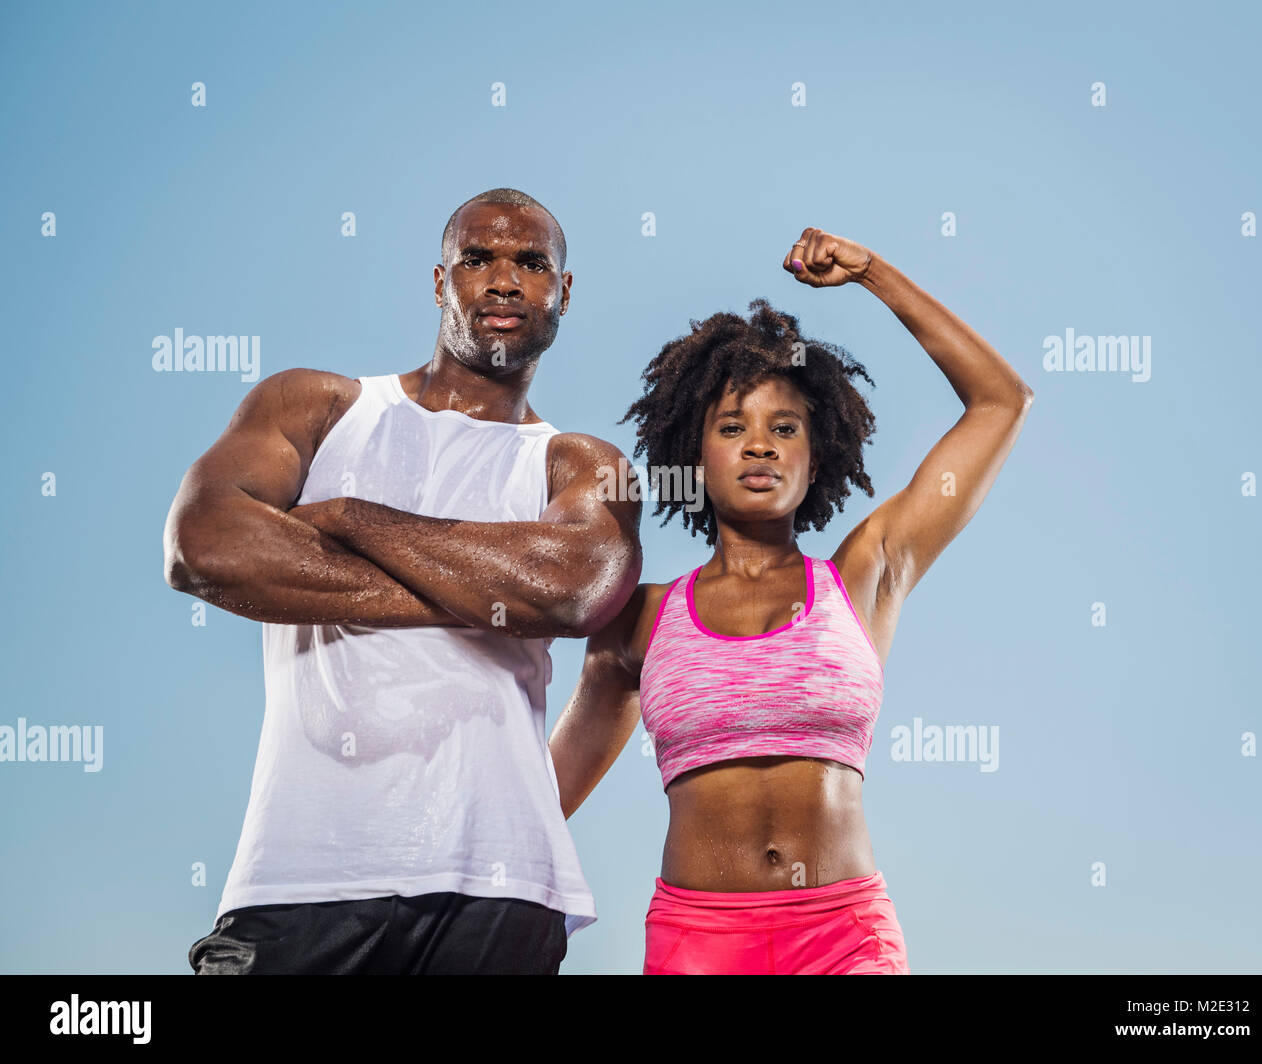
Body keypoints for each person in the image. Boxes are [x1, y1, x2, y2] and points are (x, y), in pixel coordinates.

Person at [164, 188, 642, 974]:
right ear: (438, 281)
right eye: (476, 258)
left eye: (530, 263)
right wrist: (489, 602)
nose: (502, 281)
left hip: (501, 883)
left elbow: (577, 591)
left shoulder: (577, 463)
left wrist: (351, 516)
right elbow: (204, 544)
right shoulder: (319, 406)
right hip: (301, 872)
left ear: (563, 289)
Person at [548, 228, 1033, 975]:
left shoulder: (866, 574)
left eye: (785, 428)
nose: (760, 445)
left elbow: (1000, 402)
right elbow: (541, 803)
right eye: (732, 428)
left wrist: (873, 273)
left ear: (819, 452)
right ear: (694, 454)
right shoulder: (637, 621)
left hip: (845, 938)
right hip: (698, 943)